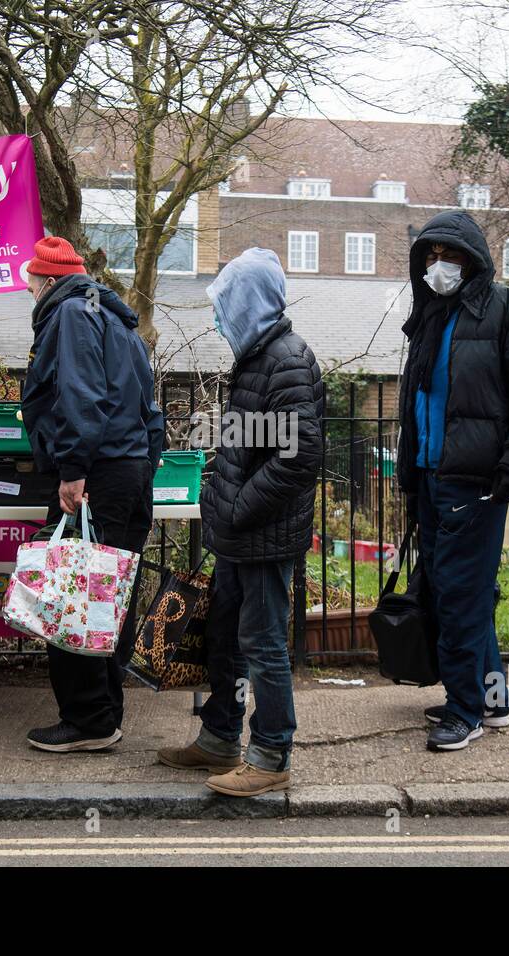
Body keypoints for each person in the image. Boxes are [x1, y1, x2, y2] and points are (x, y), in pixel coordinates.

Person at [157, 247, 323, 797]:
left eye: (224, 304)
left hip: (263, 536)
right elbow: (249, 443)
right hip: (238, 533)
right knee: (225, 637)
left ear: (248, 303)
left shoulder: (287, 359)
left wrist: (236, 506)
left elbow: (298, 457)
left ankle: (271, 753)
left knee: (263, 642)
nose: (216, 317)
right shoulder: (258, 356)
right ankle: (220, 737)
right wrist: (216, 492)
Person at [396, 211, 509, 752]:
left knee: (459, 597)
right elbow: (417, 405)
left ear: (475, 259)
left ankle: (463, 709)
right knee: (458, 591)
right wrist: (411, 473)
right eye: (431, 256)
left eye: (451, 255)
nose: (439, 266)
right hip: (431, 476)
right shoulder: (430, 316)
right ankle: (490, 701)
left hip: (477, 481)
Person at [18, 236, 164, 753]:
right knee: (110, 592)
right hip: (129, 471)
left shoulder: (72, 315)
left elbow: (80, 396)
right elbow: (148, 404)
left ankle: (86, 721)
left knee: (75, 594)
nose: (30, 294)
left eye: (32, 285)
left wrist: (73, 471)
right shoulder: (115, 318)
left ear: (50, 281)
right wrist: (145, 463)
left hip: (96, 474)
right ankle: (105, 714)